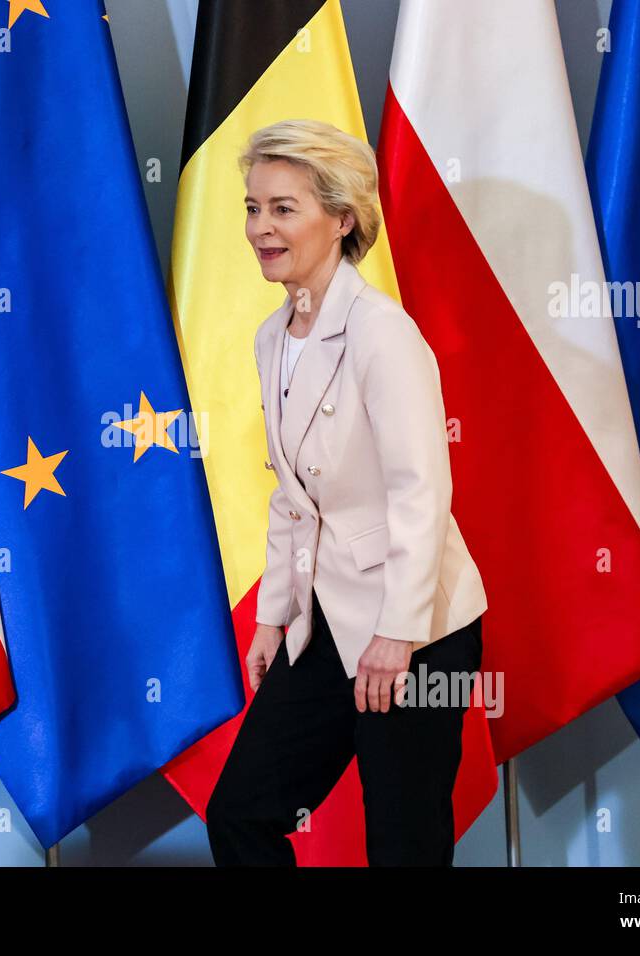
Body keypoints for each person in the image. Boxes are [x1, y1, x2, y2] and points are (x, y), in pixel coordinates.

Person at [205, 119, 488, 867]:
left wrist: (399, 631)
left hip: (417, 627)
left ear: (343, 218)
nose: (260, 228)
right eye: (252, 207)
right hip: (324, 621)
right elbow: (292, 498)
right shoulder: (273, 335)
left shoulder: (382, 333)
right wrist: (273, 619)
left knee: (403, 843)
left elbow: (421, 491)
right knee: (240, 812)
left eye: (283, 208)